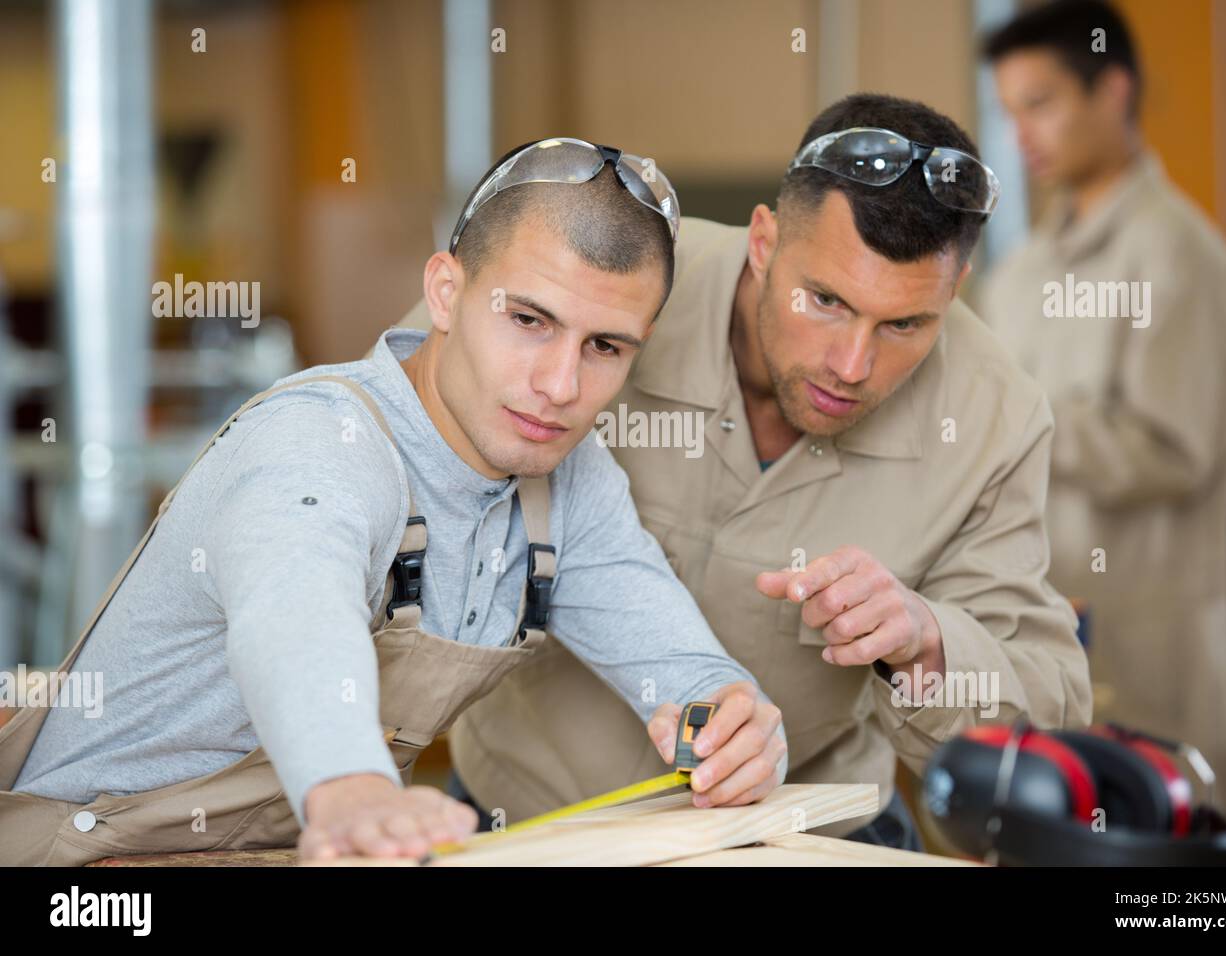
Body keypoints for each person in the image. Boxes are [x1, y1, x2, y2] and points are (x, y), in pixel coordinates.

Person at [0, 138, 787, 866]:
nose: (561, 387)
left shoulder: (570, 478)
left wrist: (738, 727)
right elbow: (293, 617)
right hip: (88, 869)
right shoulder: (319, 443)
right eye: (527, 320)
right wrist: (350, 786)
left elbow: (686, 675)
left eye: (605, 346)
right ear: (445, 292)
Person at [396, 95, 1092, 850]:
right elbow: (405, 409)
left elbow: (1050, 714)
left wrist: (927, 642)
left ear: (951, 297)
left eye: (904, 325)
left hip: (803, 841)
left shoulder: (997, 417)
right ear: (763, 242)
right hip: (524, 818)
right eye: (824, 300)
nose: (852, 366)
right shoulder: (611, 278)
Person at [982, 0, 1226, 819]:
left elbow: (1176, 452)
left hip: (1151, 658)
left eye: (1042, 103)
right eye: (1009, 111)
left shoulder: (1180, 254)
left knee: (1161, 881)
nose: (1022, 133)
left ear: (1114, 92)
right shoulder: (1017, 273)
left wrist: (1021, 420)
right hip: (1040, 646)